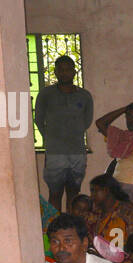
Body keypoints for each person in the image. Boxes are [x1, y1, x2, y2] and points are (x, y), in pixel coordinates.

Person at [34, 55, 93, 212]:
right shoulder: (46, 94)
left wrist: (72, 134)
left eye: (68, 70)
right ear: (55, 72)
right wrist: (51, 138)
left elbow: (87, 120)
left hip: (77, 152)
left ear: (74, 72)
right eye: (61, 70)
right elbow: (38, 119)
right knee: (55, 192)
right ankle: (55, 227)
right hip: (55, 153)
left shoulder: (84, 96)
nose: (64, 73)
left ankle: (72, 227)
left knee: (74, 192)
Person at [88, 174, 133, 258]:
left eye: (94, 191)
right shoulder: (96, 213)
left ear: (106, 191)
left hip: (125, 262)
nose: (91, 196)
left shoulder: (126, 211)